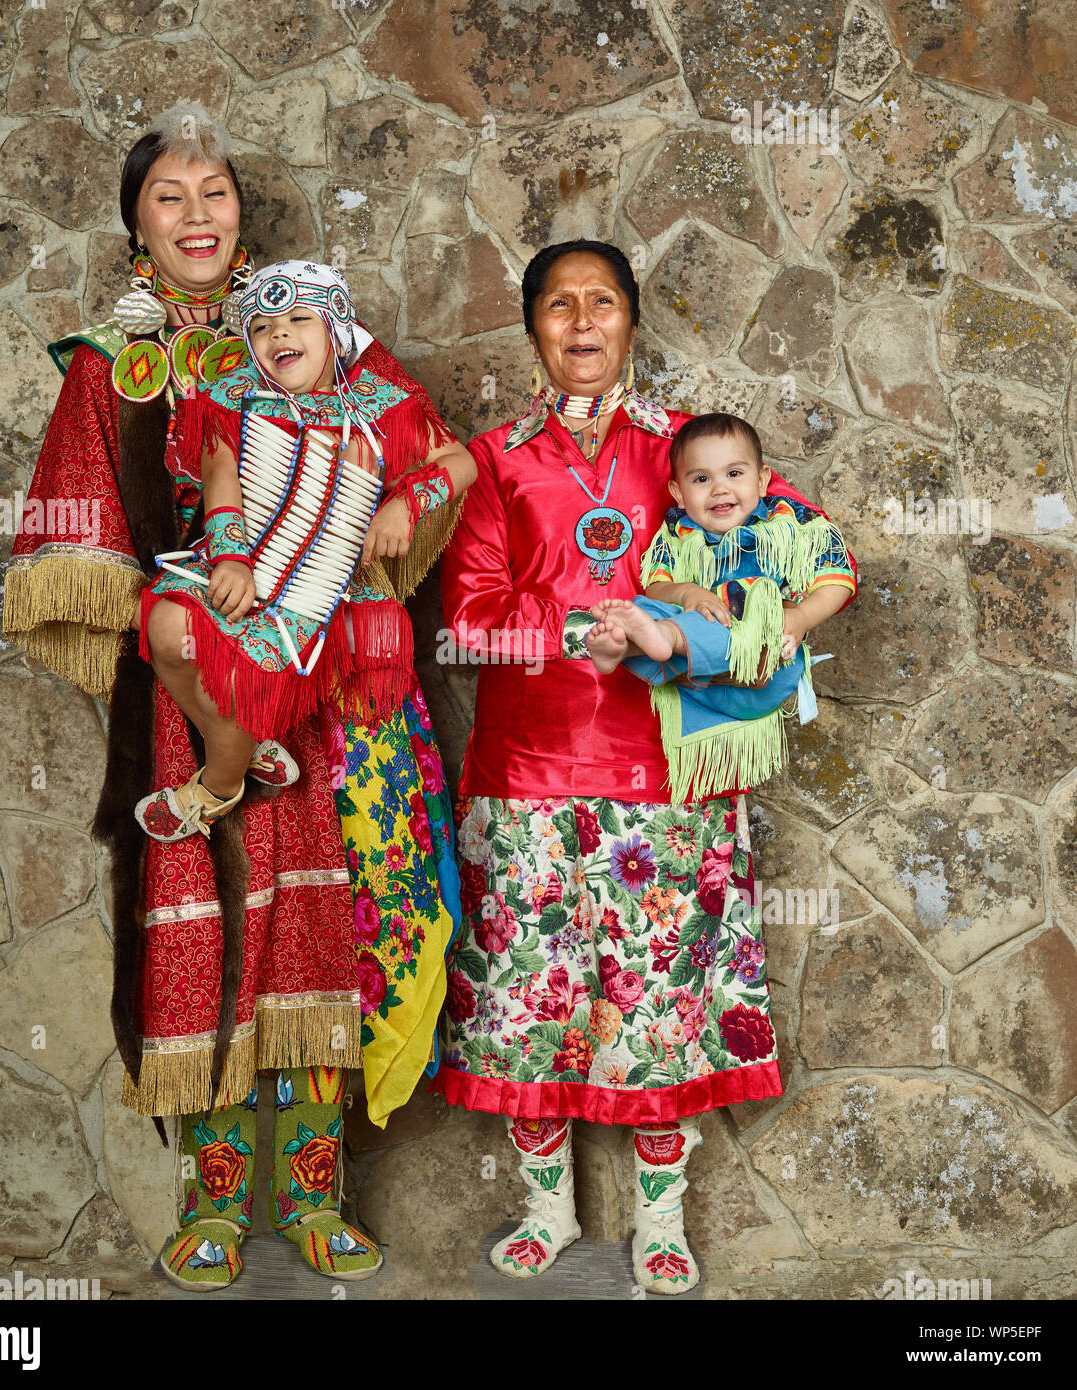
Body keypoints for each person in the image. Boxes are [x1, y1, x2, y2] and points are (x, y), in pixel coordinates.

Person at [4, 105, 463, 1291]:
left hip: (313, 692)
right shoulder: (114, 366)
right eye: (171, 196)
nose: (197, 214)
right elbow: (75, 530)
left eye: (214, 193)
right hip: (188, 699)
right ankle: (212, 1201)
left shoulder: (308, 328)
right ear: (135, 232)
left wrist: (399, 503)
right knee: (200, 935)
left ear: (242, 217)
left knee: (317, 926)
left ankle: (314, 1193)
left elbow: (427, 444)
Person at [432, 239, 857, 1294]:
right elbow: (470, 622)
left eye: (603, 302)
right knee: (530, 1001)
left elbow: (817, 553)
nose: (582, 321)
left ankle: (658, 1221)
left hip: (663, 772)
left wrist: (766, 627)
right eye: (559, 305)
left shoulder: (689, 451)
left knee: (659, 1000)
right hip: (521, 773)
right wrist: (598, 618)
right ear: (531, 326)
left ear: (630, 321)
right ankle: (546, 1206)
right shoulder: (491, 462)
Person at [134, 258, 476, 842]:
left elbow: (459, 461)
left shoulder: (384, 407)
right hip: (238, 559)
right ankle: (243, 751)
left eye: (298, 319)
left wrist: (405, 504)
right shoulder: (231, 397)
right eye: (263, 327)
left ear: (336, 332)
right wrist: (233, 559)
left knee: (240, 682)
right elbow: (220, 480)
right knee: (166, 628)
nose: (280, 334)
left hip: (315, 596)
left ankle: (216, 786)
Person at [584, 412, 856, 804]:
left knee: (722, 618)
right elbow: (658, 584)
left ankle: (651, 642)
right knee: (649, 605)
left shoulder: (788, 523)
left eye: (734, 474)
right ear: (678, 493)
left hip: (763, 670)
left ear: (762, 480)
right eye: (701, 479)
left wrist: (798, 619)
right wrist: (687, 592)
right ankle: (624, 646)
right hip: (698, 686)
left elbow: (836, 579)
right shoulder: (678, 534)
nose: (718, 489)